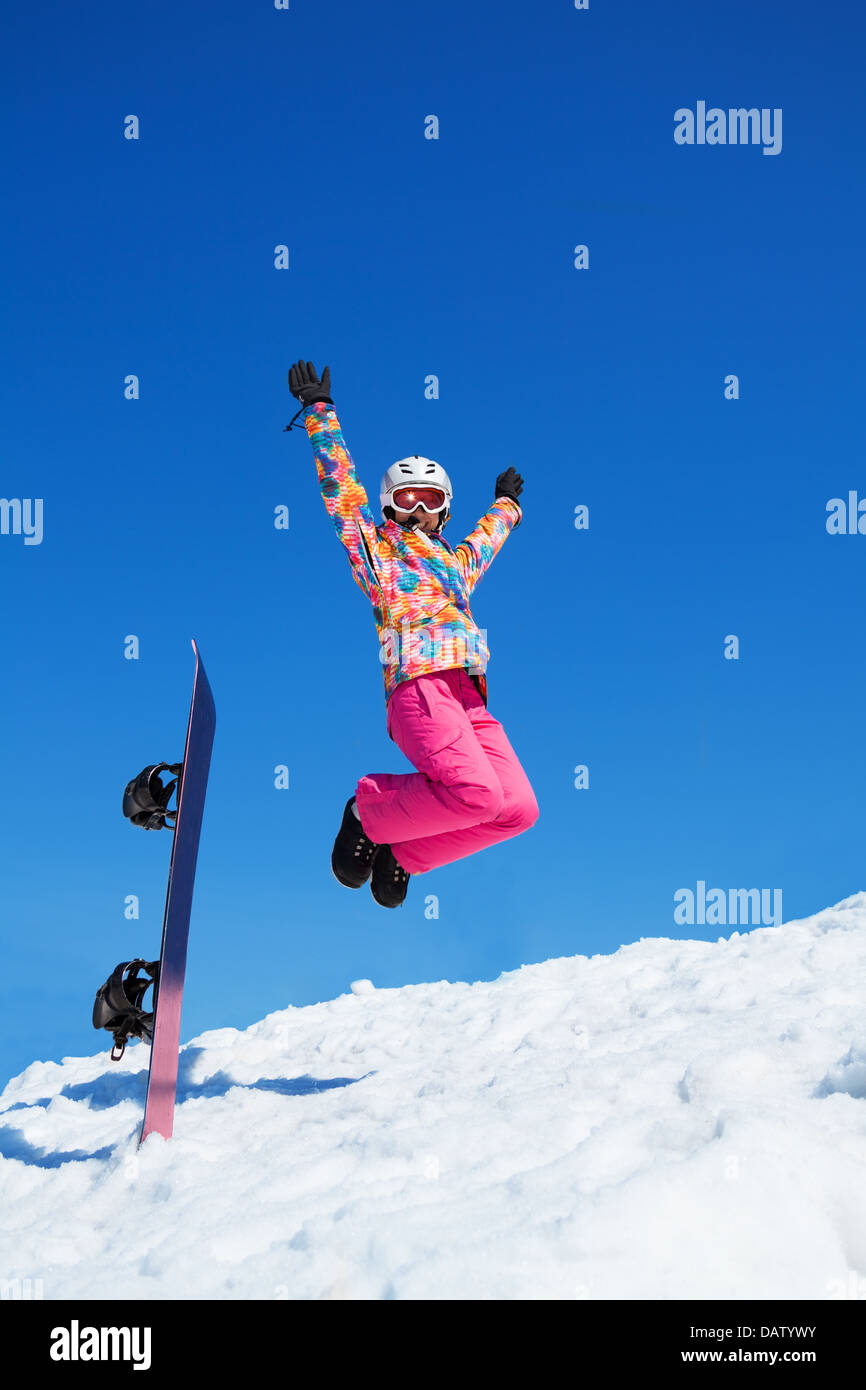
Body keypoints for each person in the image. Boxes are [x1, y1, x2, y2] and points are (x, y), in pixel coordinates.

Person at [288, 359, 539, 908]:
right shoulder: (377, 551)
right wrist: (318, 415)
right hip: (420, 686)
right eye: (406, 498)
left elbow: (485, 541)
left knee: (516, 807)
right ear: (388, 506)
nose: (418, 507)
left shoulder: (454, 563)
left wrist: (508, 505)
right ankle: (366, 808)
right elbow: (342, 492)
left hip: (469, 696)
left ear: (445, 506)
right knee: (474, 791)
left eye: (429, 498)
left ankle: (404, 855)